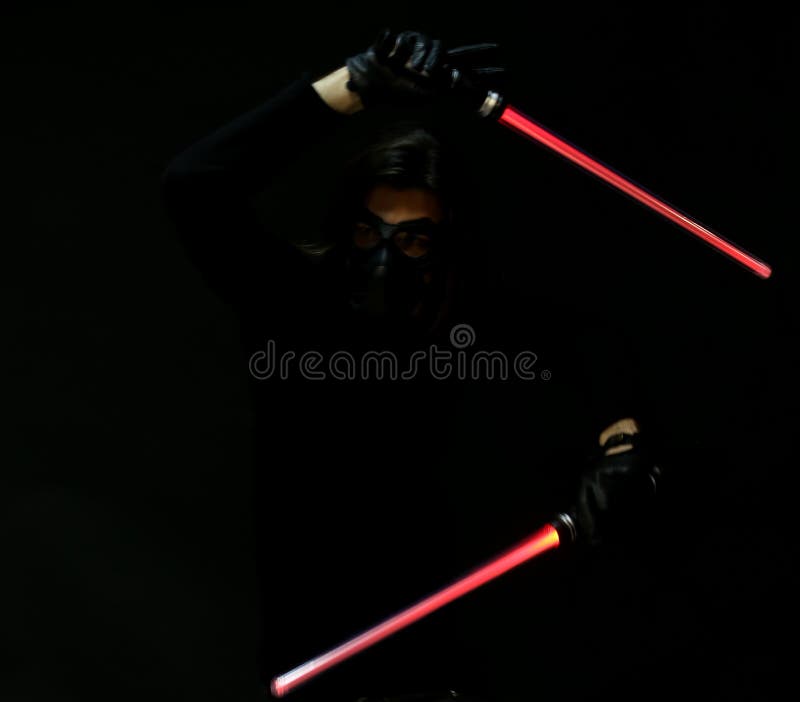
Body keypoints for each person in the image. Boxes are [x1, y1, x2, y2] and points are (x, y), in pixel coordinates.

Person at [161, 29, 662, 702]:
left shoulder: (470, 323)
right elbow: (193, 185)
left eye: (414, 240)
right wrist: (356, 84)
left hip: (447, 669)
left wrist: (622, 443)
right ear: (347, 226)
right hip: (314, 664)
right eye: (370, 231)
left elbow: (596, 343)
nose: (385, 259)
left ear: (444, 249)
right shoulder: (291, 303)